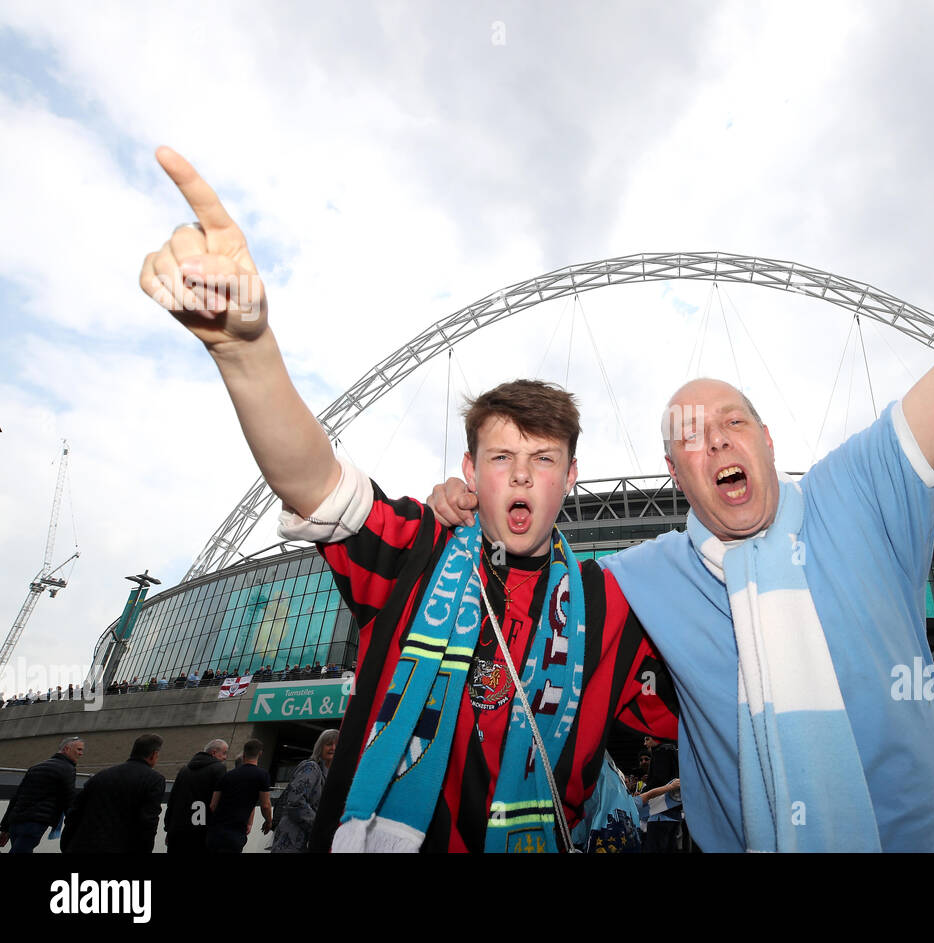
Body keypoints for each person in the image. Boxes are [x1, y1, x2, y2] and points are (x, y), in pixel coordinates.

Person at [430, 28, 934, 851]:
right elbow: (523, 596)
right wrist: (467, 510)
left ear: (769, 440)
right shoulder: (643, 576)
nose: (715, 443)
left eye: (731, 422)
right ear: (677, 475)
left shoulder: (861, 493)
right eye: (692, 440)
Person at [137, 149, 679, 855]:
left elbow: (689, 726)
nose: (520, 476)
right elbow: (313, 482)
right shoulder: (415, 552)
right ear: (469, 469)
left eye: (542, 459)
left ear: (570, 476)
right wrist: (246, 353)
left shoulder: (613, 609)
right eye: (502, 458)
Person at [61, 734, 166, 853]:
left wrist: (67, 844)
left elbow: (75, 812)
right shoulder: (154, 780)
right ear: (154, 755)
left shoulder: (101, 776)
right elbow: (147, 822)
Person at [0, 737, 83, 853]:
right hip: (35, 822)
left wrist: (5, 827)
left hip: (16, 822)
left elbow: (16, 797)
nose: (81, 753)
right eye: (79, 749)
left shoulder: (35, 767)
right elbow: (68, 798)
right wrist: (75, 823)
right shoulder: (67, 769)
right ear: (67, 748)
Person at [271, 729, 338, 853]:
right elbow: (295, 801)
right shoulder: (311, 767)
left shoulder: (328, 775)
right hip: (291, 839)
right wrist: (319, 826)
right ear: (320, 747)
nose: (333, 748)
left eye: (337, 744)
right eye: (329, 744)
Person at [164, 739, 229, 854]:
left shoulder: (184, 770)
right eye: (224, 753)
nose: (225, 757)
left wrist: (168, 829)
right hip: (201, 832)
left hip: (177, 830)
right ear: (214, 753)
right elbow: (218, 803)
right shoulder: (218, 769)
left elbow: (172, 800)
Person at [207, 739, 273, 853]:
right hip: (236, 832)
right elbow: (266, 805)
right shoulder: (262, 775)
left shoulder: (227, 775)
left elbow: (213, 805)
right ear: (260, 753)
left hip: (215, 831)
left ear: (244, 754)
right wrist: (268, 821)